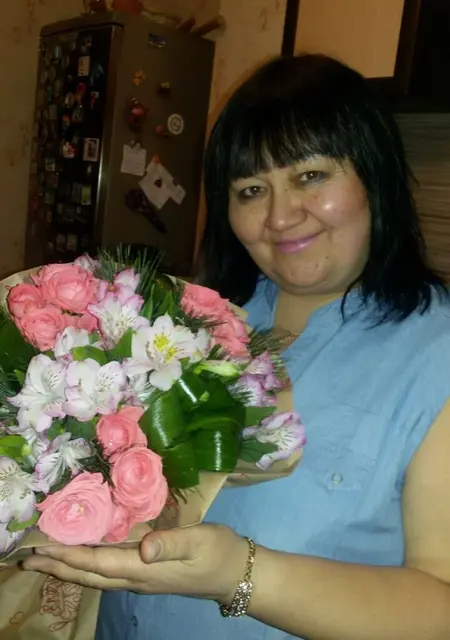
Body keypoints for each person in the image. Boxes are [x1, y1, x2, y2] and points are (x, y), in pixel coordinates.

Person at [22, 54, 450, 639]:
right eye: (251, 189)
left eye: (311, 176)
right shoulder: (196, 320)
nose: (280, 216)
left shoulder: (436, 354)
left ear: (374, 176)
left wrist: (238, 576)